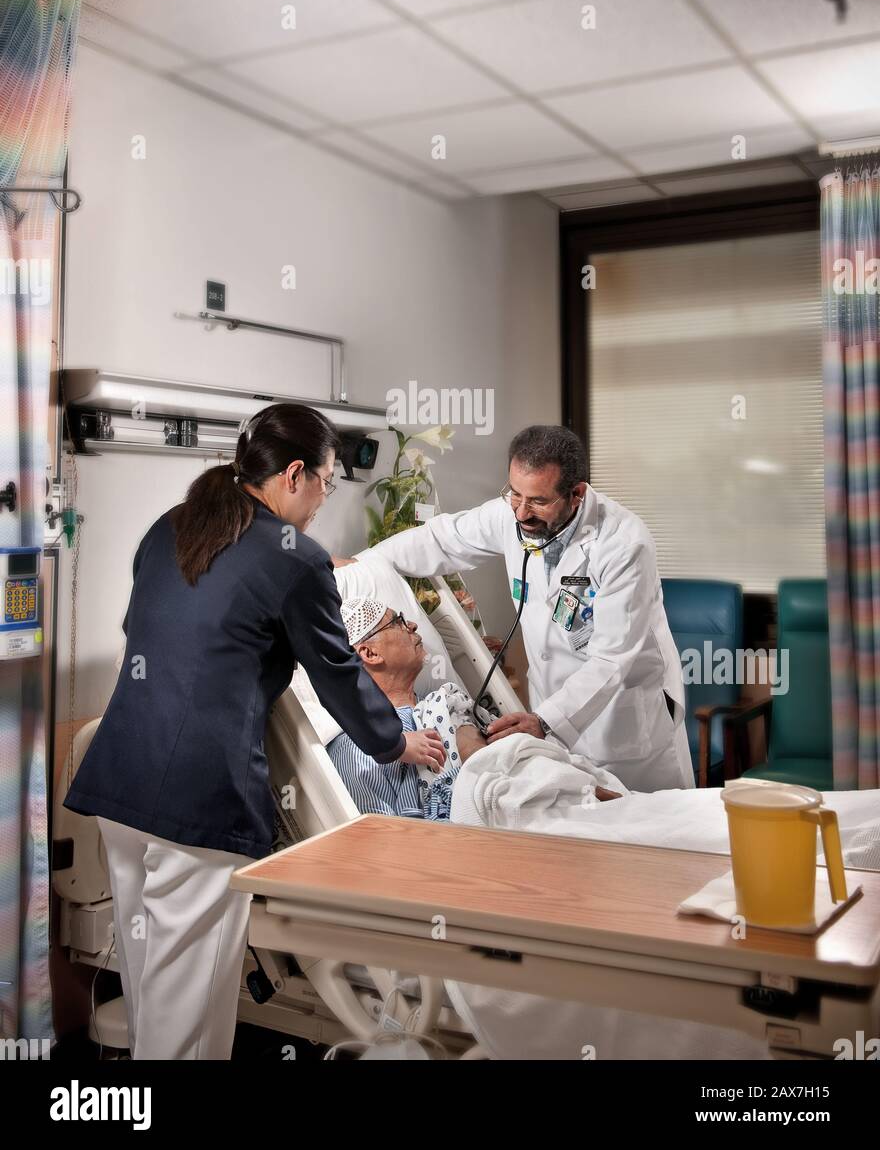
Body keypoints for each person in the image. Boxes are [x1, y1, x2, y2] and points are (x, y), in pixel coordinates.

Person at [63, 403, 443, 1060]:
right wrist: (394, 741)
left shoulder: (172, 526)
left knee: (154, 993)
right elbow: (338, 673)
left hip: (118, 780)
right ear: (295, 474)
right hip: (197, 804)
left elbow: (148, 632)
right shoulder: (298, 560)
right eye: (326, 482)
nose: (323, 500)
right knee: (188, 1023)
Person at [357, 425, 694, 792]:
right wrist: (360, 566)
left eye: (537, 501)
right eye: (514, 493)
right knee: (573, 819)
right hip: (552, 709)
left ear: (577, 494)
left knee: (645, 820)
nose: (520, 512)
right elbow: (440, 539)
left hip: (623, 722)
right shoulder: (511, 513)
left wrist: (546, 720)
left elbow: (611, 660)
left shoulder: (623, 544)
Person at [328, 596, 483, 820]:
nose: (412, 625)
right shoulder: (355, 750)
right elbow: (384, 835)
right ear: (370, 653)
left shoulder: (447, 702)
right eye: (397, 622)